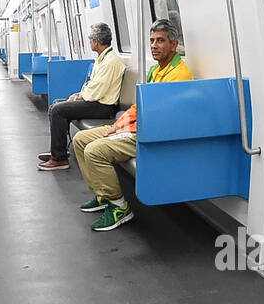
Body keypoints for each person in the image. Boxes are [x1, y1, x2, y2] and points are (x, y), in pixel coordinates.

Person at [72, 18, 192, 232]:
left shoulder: (179, 75)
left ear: (174, 45)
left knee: (94, 150)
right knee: (80, 139)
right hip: (135, 127)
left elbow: (162, 118)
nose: (154, 45)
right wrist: (118, 125)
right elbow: (140, 106)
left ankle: (119, 207)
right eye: (152, 40)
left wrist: (123, 130)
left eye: (161, 41)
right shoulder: (155, 70)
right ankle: (103, 195)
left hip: (150, 135)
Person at [37, 22, 124, 170]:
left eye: (90, 40)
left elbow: (97, 92)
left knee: (58, 110)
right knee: (56, 104)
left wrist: (78, 98)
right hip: (96, 101)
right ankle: (58, 149)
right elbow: (93, 85)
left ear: (96, 41)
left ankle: (60, 159)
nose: (90, 43)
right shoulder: (102, 59)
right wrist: (78, 94)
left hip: (103, 107)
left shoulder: (110, 62)